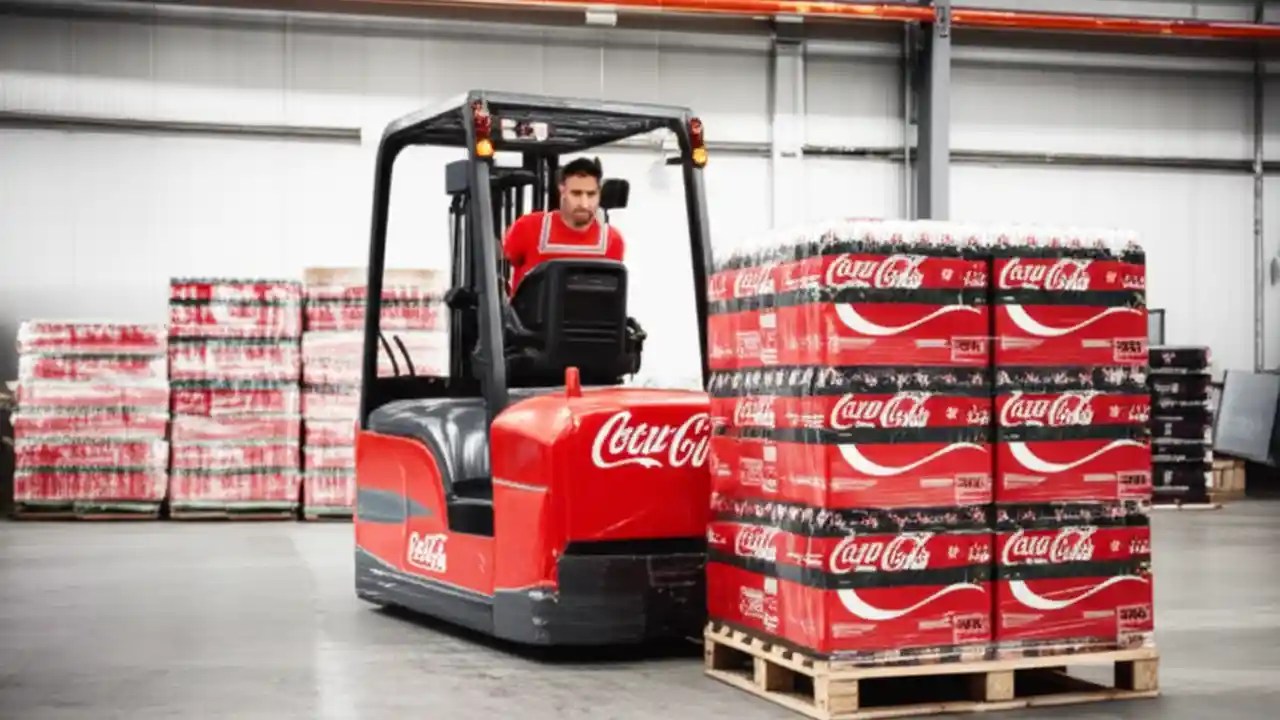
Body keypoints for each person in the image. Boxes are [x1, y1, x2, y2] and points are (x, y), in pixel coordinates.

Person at [501, 157, 626, 294]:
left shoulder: (612, 240)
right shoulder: (527, 227)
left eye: (591, 194)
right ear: (562, 190)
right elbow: (503, 262)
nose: (584, 204)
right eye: (576, 193)